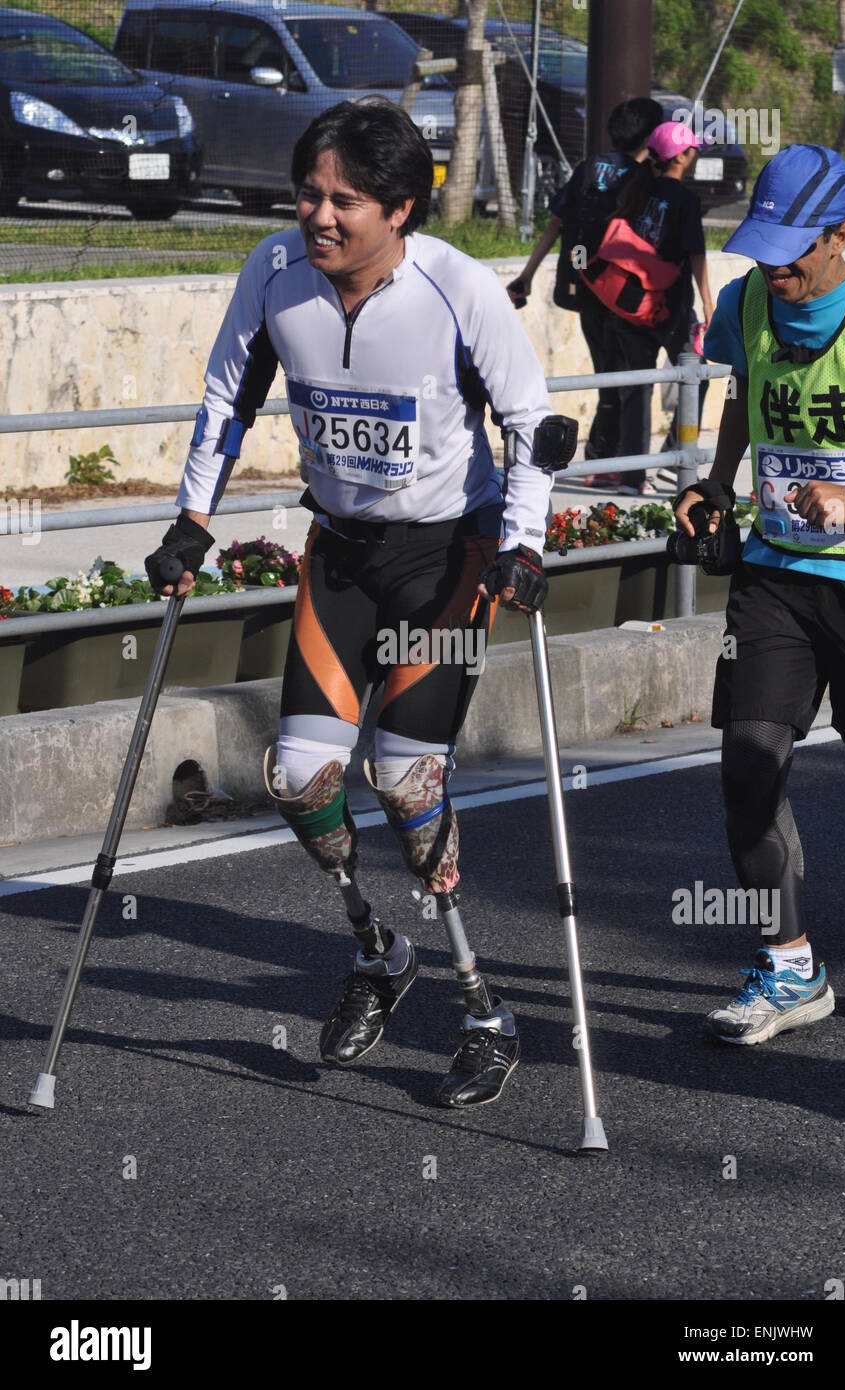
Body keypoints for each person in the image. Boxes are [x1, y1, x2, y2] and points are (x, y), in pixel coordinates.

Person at [144, 99, 556, 1107]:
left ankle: (482, 1007)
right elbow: (226, 396)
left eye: (345, 201)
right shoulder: (274, 272)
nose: (317, 216)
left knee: (407, 787)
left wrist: (524, 543)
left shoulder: (453, 287)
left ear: (400, 208)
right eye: (309, 194)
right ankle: (379, 948)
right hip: (339, 555)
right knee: (294, 777)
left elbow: (531, 422)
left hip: (441, 561)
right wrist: (191, 519)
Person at [676, 143, 845, 1044]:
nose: (773, 266)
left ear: (842, 235)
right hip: (776, 575)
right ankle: (790, 971)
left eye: (792, 248)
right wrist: (715, 483)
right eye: (762, 246)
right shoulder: (751, 300)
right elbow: (744, 395)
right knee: (749, 766)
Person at [508, 97, 663, 484]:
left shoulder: (590, 168)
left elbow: (558, 224)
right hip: (629, 296)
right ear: (649, 136)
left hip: (589, 288)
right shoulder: (647, 177)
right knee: (631, 385)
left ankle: (599, 460)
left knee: (605, 378)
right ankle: (617, 468)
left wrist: (530, 275)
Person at [585, 118, 714, 493]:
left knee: (636, 388)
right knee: (697, 374)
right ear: (684, 156)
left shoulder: (635, 188)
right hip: (671, 309)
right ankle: (675, 458)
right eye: (692, 150)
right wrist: (708, 302)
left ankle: (632, 477)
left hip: (629, 307)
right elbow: (696, 254)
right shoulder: (686, 200)